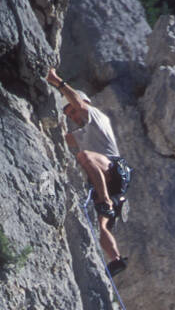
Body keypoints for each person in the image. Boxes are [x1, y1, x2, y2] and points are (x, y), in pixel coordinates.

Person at [46, 68, 131, 277]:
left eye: (72, 111)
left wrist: (57, 82)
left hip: (114, 169)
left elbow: (80, 104)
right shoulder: (81, 133)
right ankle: (116, 260)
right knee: (101, 225)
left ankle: (105, 200)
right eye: (69, 114)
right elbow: (62, 139)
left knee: (84, 157)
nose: (73, 116)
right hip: (108, 180)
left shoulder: (96, 116)